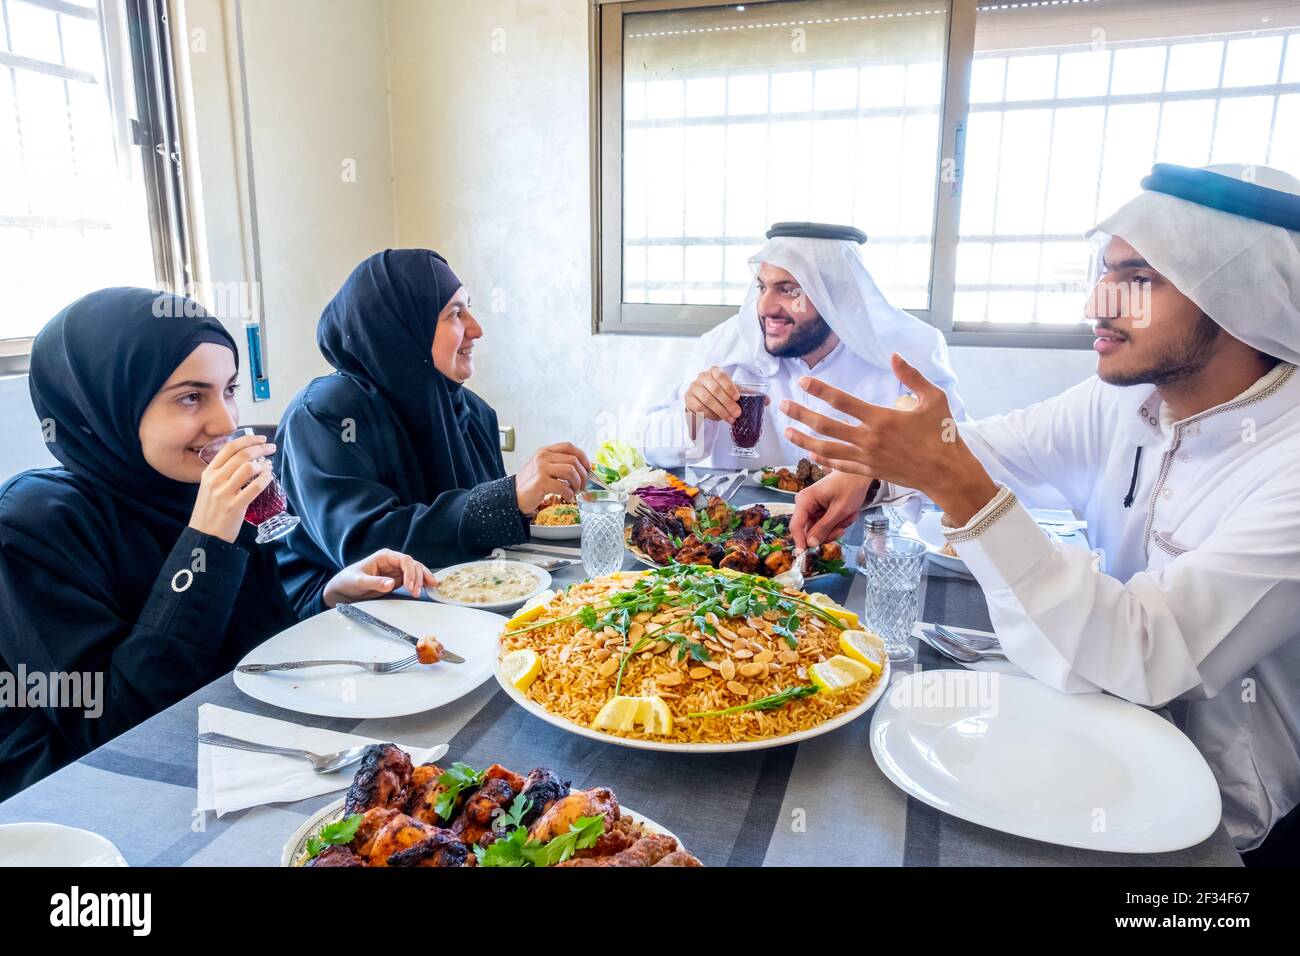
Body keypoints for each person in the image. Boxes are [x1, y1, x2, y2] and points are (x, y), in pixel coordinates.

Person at [783, 164, 1300, 859]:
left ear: (1238, 297)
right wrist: (871, 475)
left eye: (1138, 280)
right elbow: (999, 448)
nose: (1098, 303)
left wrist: (959, 488)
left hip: (1231, 808)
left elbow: (1148, 651)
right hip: (1087, 734)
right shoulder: (1127, 400)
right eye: (1104, 273)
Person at [0, 288, 435, 800]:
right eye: (190, 397)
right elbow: (115, 722)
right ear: (104, 405)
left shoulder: (193, 486)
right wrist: (204, 542)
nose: (227, 422)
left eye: (228, 389)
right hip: (90, 792)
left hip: (236, 746)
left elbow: (254, 645)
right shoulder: (30, 528)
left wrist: (329, 596)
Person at [274, 249, 589, 608]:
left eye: (468, 308)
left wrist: (536, 500)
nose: (476, 329)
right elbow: (366, 546)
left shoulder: (472, 410)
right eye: (455, 313)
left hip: (460, 608)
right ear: (400, 327)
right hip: (349, 625)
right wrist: (507, 498)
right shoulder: (325, 414)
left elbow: (484, 538)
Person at [638, 221, 965, 482]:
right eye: (762, 287)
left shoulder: (909, 355)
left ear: (835, 297)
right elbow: (654, 450)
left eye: (788, 289)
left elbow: (960, 459)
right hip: (741, 546)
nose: (765, 307)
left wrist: (879, 480)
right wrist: (694, 416)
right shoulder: (724, 346)